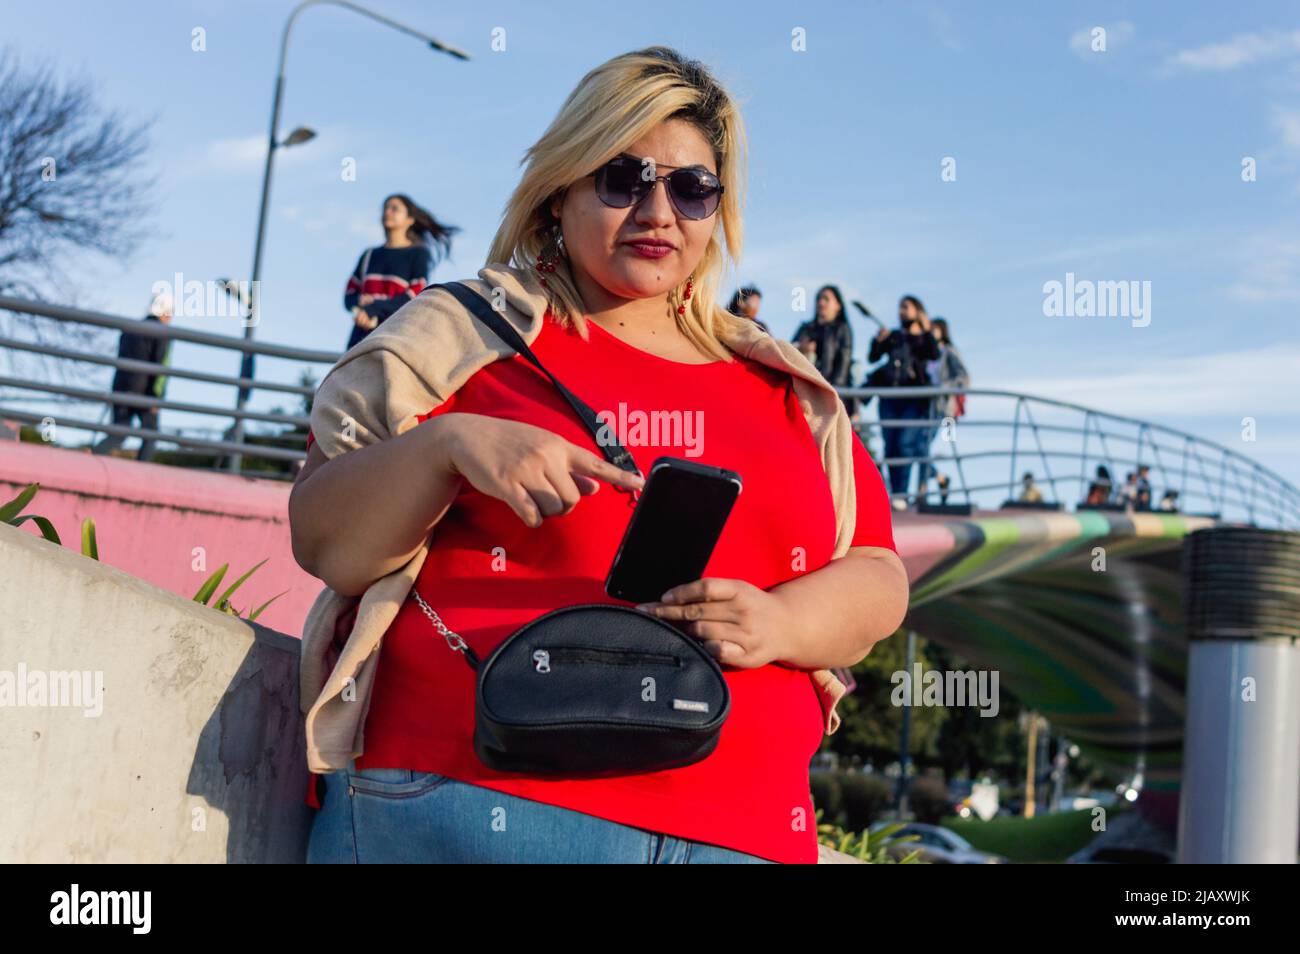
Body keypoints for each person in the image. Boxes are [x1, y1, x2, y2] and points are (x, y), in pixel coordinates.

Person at [291, 46, 908, 865]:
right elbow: (326, 542)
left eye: (692, 189)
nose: (659, 211)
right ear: (557, 195)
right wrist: (447, 448)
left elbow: (878, 576)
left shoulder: (785, 387)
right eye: (623, 179)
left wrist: (784, 620)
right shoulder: (464, 337)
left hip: (746, 832)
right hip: (476, 810)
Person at [344, 194, 458, 349]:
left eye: (394, 209)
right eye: (385, 208)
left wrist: (374, 307)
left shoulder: (418, 254)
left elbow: (413, 297)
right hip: (360, 336)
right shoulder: (369, 255)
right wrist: (359, 303)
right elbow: (349, 294)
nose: (387, 212)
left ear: (410, 220)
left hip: (396, 336)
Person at [868, 294, 940, 501]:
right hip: (889, 396)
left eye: (906, 307)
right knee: (890, 445)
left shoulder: (923, 337)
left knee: (905, 444)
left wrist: (927, 331)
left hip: (913, 398)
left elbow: (934, 354)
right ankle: (894, 493)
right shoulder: (894, 336)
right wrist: (878, 340)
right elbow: (873, 357)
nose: (901, 311)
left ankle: (901, 494)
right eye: (900, 307)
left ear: (917, 311)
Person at [93, 293, 173, 461]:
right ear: (165, 312)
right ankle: (142, 473)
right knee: (150, 436)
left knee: (119, 434)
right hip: (146, 393)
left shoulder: (130, 329)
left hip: (122, 387)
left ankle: (92, 460)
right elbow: (161, 369)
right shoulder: (163, 333)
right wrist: (156, 398)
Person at [916, 316, 969, 502]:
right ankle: (939, 479)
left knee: (921, 446)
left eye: (934, 328)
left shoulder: (949, 351)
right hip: (925, 405)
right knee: (918, 446)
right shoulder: (927, 353)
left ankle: (922, 490)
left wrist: (943, 388)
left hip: (942, 407)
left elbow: (963, 377)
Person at [792, 285, 856, 418]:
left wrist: (833, 393)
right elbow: (788, 353)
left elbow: (844, 363)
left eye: (826, 299)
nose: (821, 303)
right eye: (819, 299)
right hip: (805, 392)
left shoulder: (842, 329)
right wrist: (801, 348)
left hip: (831, 391)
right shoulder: (806, 328)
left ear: (838, 305)